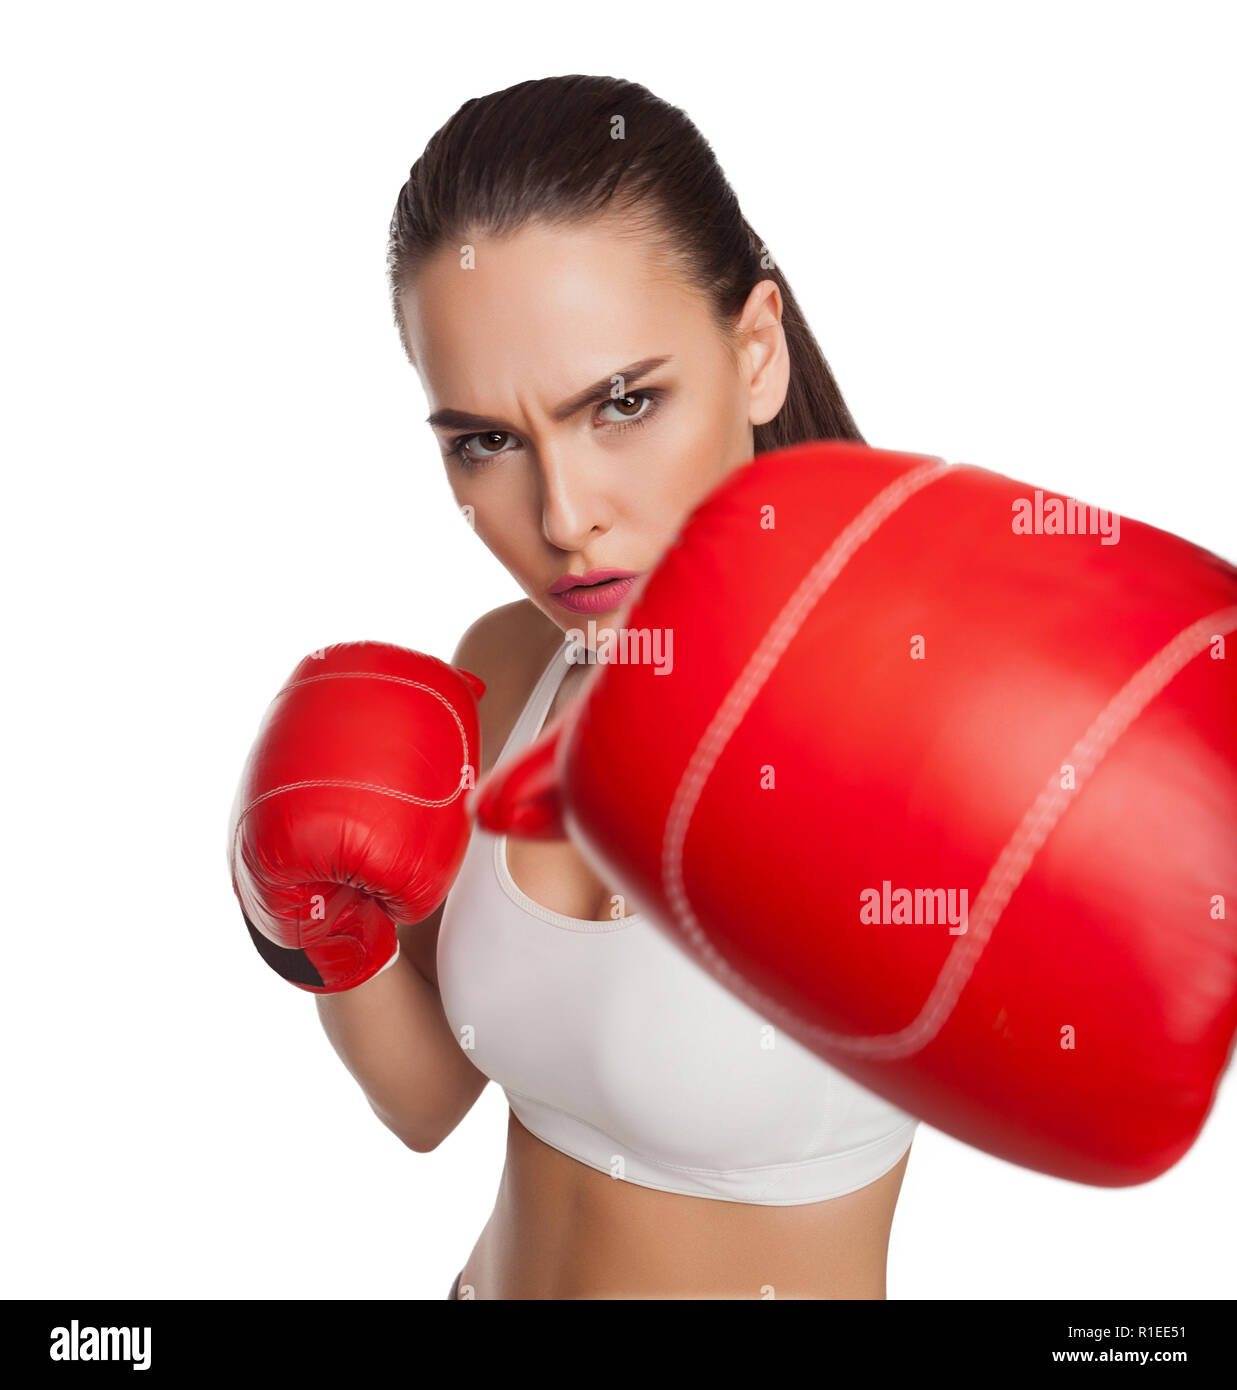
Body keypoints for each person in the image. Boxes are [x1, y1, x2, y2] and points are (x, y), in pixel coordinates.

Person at [316, 73, 918, 1300]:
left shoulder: (912, 725)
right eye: (485, 439)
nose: (563, 516)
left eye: (623, 404)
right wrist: (317, 930)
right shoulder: (504, 665)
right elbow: (429, 1103)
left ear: (755, 353)